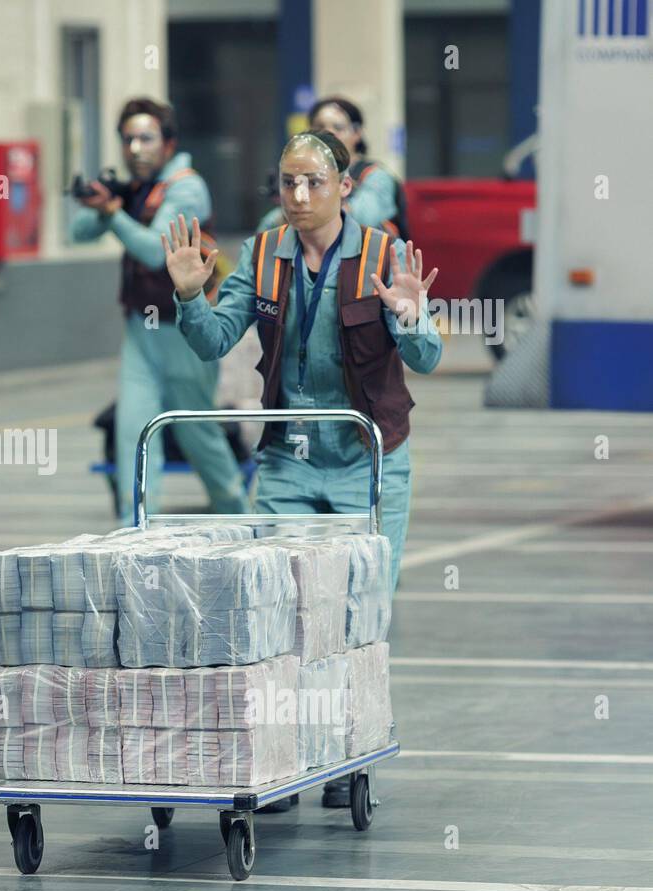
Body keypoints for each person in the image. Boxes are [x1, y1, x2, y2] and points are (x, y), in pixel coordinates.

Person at [163, 130, 441, 808]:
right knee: (284, 612)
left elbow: (428, 357)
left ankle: (350, 752)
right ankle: (287, 755)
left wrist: (408, 317)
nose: (298, 195)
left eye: (314, 181)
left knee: (358, 612)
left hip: (366, 462)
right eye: (288, 182)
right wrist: (189, 296)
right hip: (289, 462)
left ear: (344, 186)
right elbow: (211, 342)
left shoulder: (382, 254)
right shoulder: (261, 255)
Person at [71, 97, 248, 527]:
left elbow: (154, 251)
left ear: (168, 144)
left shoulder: (187, 187)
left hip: (184, 333)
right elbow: (77, 233)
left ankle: (241, 521)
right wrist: (103, 203)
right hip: (140, 332)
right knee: (134, 433)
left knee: (199, 437)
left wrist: (113, 214)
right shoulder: (135, 189)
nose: (136, 148)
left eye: (146, 138)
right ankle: (138, 532)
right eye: (128, 139)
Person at [256, 97, 407, 240]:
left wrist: (300, 213)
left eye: (338, 127)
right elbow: (266, 232)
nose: (327, 133)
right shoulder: (299, 174)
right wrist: (286, 210)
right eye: (319, 126)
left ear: (357, 134)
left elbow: (362, 217)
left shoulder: (376, 176)